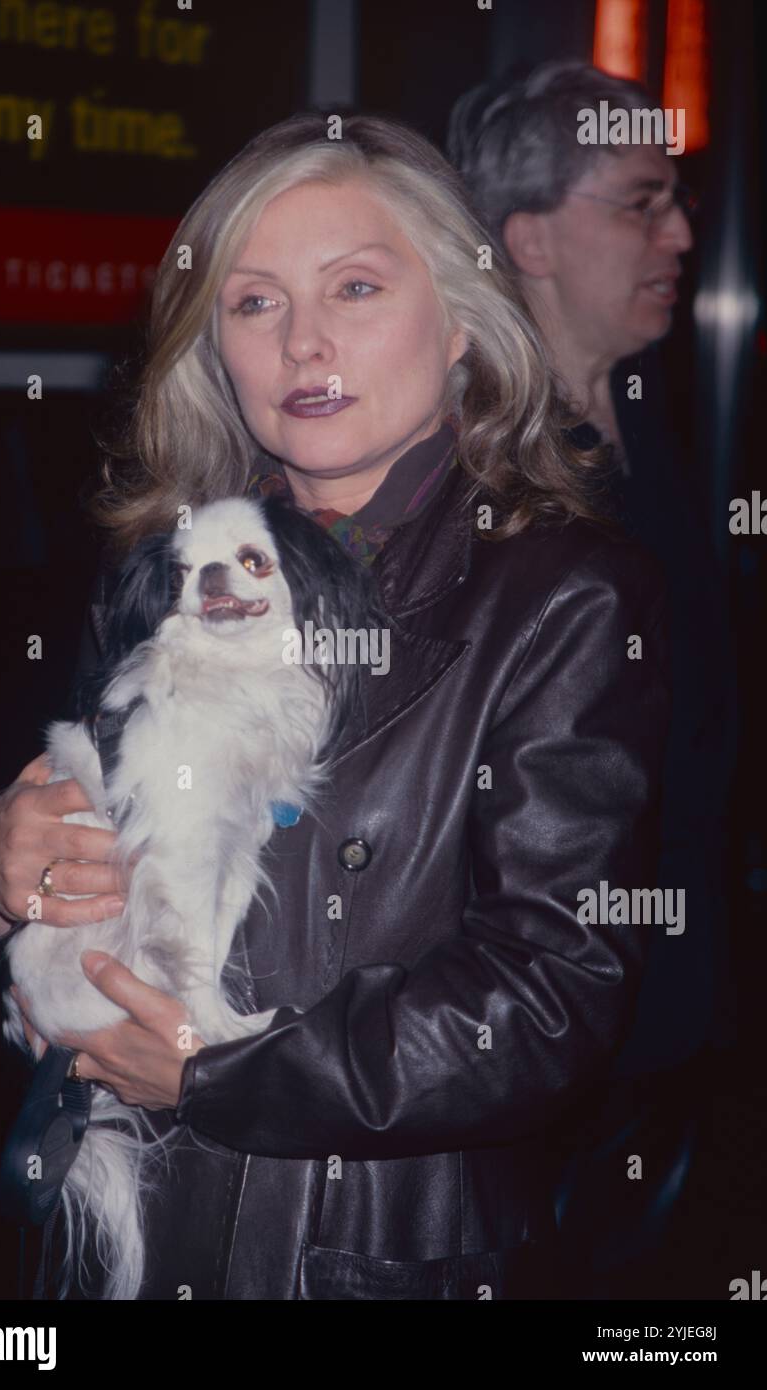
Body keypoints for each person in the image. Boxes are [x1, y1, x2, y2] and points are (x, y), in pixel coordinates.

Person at [0, 111, 671, 1301]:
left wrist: (218, 1073)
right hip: (114, 1236)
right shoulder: (171, 572)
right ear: (214, 345)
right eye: (255, 303)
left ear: (460, 322)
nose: (302, 342)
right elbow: (68, 906)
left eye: (357, 288)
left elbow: (552, 992)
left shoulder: (563, 593)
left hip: (366, 1255)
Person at [447, 60, 737, 1296]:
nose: (680, 233)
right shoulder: (459, 476)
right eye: (639, 201)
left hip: (664, 1022)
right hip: (527, 1061)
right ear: (529, 239)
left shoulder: (642, 418)